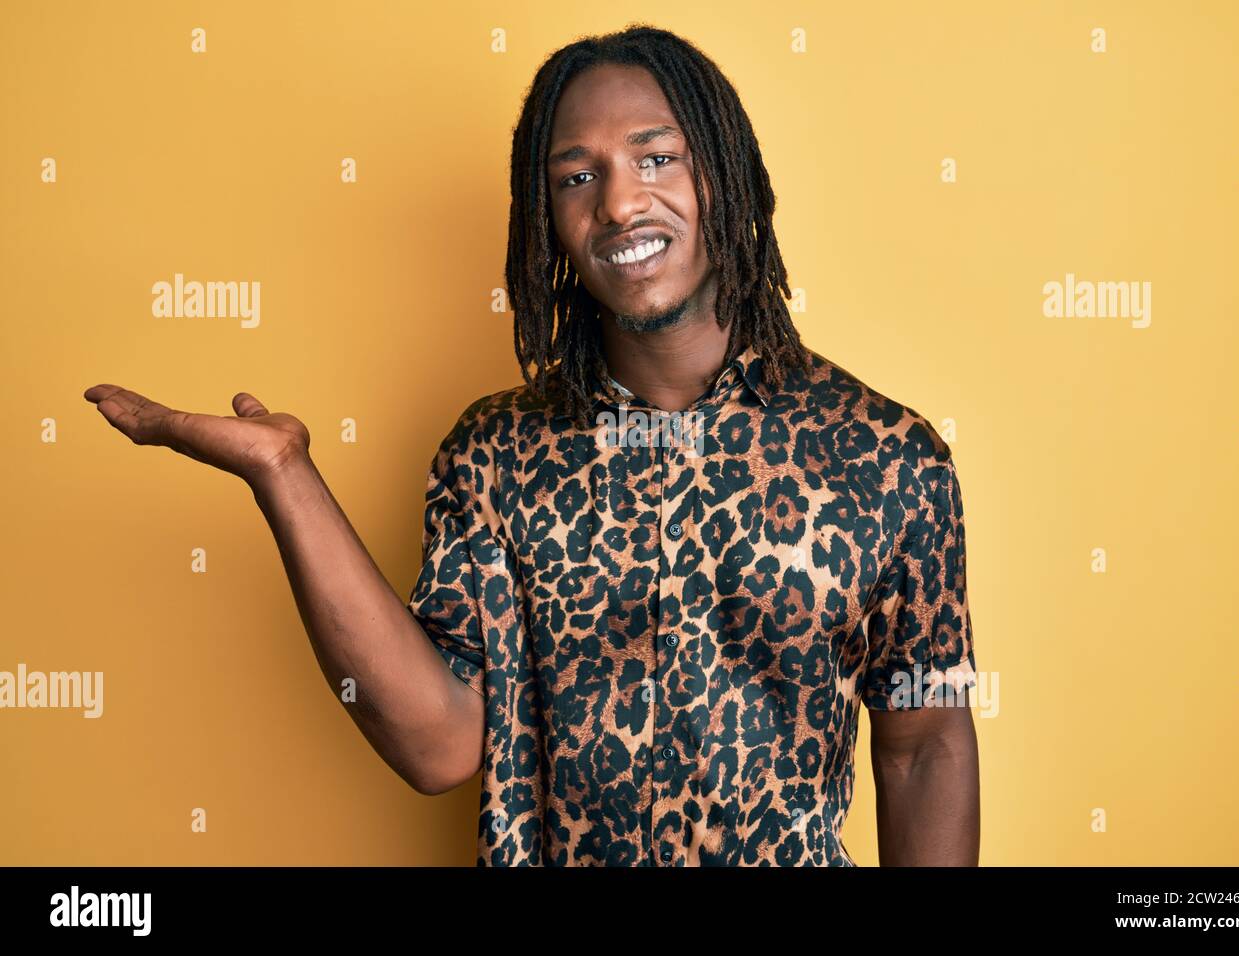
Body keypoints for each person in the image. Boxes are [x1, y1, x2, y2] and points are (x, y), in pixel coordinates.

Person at [83, 24, 979, 866]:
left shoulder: (884, 456)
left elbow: (925, 745)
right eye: (577, 177)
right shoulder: (494, 455)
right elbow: (439, 746)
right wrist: (284, 475)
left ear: (724, 172)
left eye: (657, 158)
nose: (620, 203)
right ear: (547, 217)